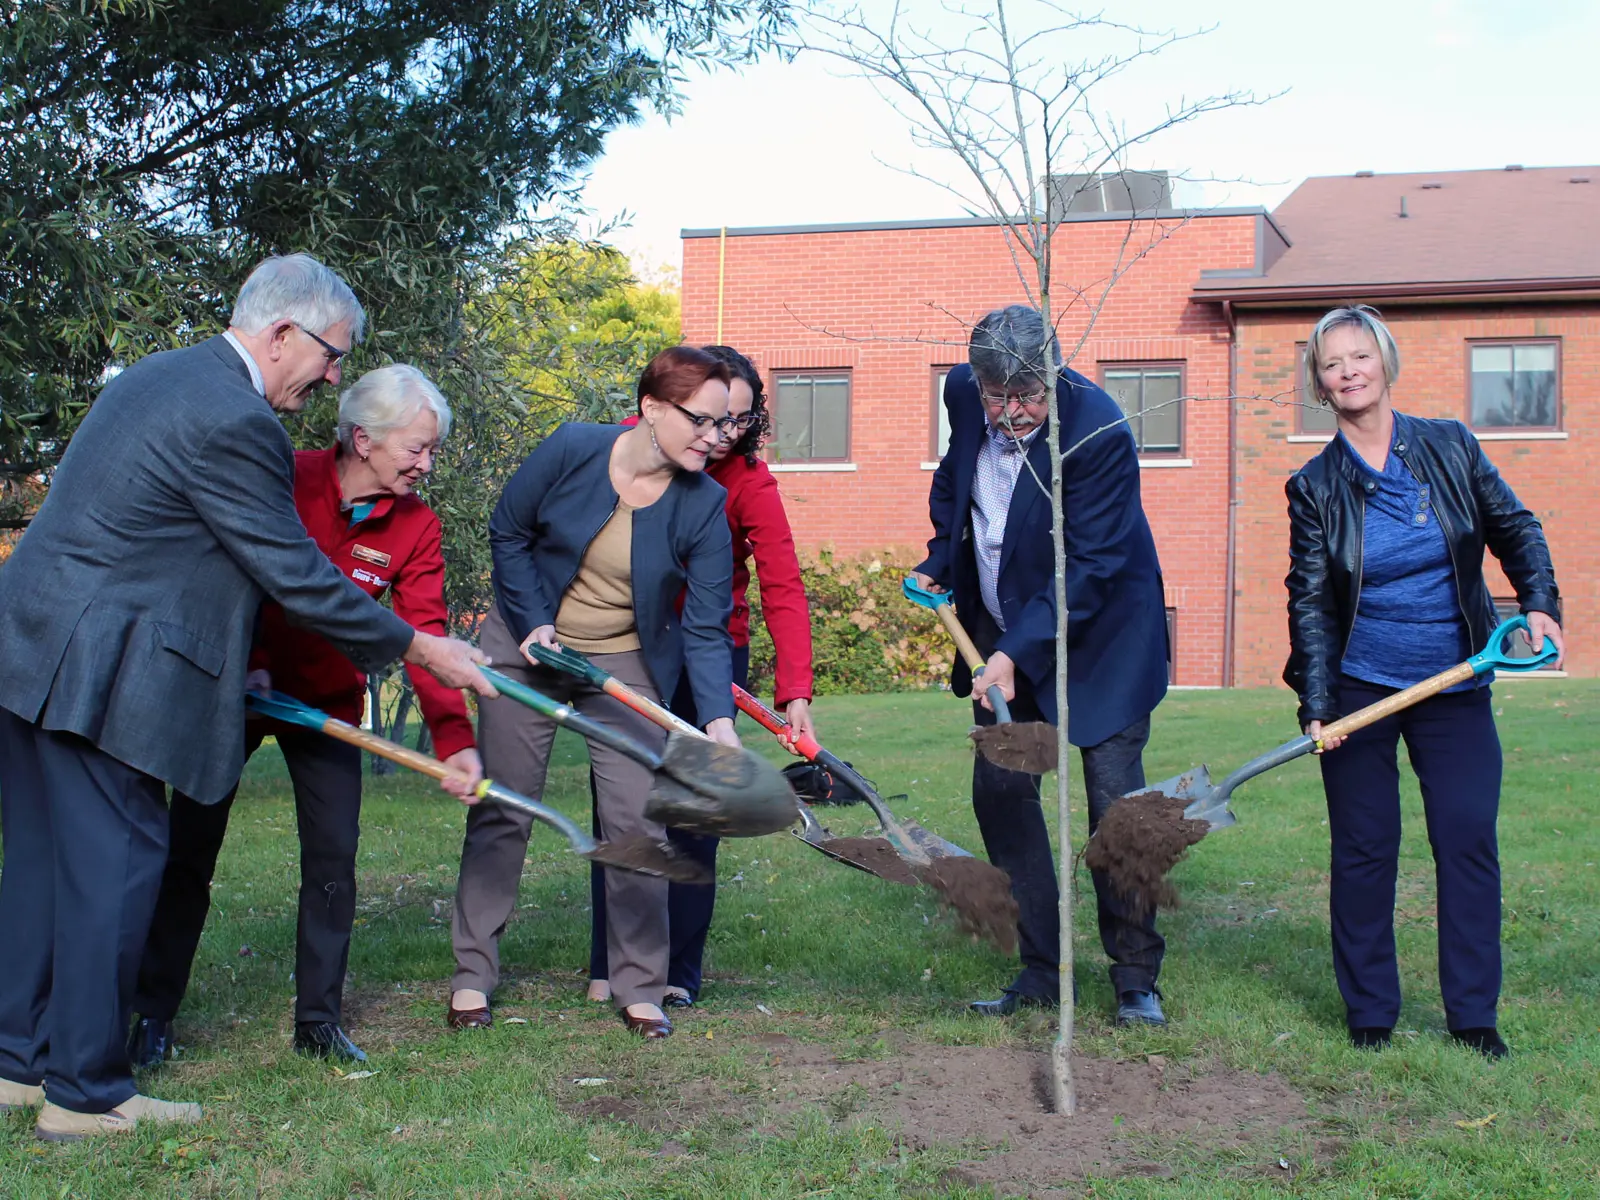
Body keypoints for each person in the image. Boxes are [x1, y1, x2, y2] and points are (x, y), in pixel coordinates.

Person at [0, 254, 492, 1141]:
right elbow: (294, 574)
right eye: (333, 355)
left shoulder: (163, 375)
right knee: (119, 867)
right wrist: (420, 645)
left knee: (43, 865)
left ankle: (14, 1063)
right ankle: (85, 1092)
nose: (335, 376)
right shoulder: (238, 419)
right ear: (280, 335)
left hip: (33, 646)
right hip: (101, 664)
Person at [128, 364, 485, 1069]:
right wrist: (237, 662)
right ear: (363, 439)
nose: (427, 464)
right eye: (417, 448)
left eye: (434, 450)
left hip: (326, 708)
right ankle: (150, 1014)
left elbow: (427, 636)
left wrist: (455, 739)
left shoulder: (416, 526)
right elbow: (215, 574)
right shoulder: (282, 477)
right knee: (188, 853)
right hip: (233, 694)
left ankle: (318, 1022)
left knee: (332, 863)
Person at [1284, 305, 1563, 1059]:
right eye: (1332, 362)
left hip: (1458, 682)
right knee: (1365, 847)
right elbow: (1309, 599)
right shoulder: (1314, 486)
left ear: (1384, 362)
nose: (1348, 370)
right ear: (1321, 381)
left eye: (1359, 355)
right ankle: (1371, 1010)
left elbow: (1515, 527)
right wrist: (1317, 704)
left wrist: (1539, 602)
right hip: (1361, 688)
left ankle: (1473, 1015)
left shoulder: (1448, 446)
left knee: (1467, 839)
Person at [447, 345, 739, 1040]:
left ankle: (640, 987)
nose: (714, 437)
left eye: (724, 426)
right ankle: (471, 974)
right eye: (702, 421)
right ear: (651, 409)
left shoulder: (706, 506)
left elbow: (704, 629)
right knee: (505, 810)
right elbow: (508, 531)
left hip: (621, 662)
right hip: (525, 647)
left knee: (638, 822)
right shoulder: (573, 449)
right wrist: (534, 622)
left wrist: (720, 723)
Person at [910, 304, 1170, 1027]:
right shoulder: (967, 394)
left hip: (1103, 642)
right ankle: (1041, 966)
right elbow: (954, 484)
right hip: (1004, 634)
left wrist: (1016, 650)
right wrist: (941, 559)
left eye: (1029, 395)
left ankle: (1134, 979)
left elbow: (1087, 568)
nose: (1013, 411)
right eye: (999, 396)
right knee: (1001, 791)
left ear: (1055, 376)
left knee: (1116, 809)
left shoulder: (1100, 432)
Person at [587, 344, 816, 1008]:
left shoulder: (749, 483)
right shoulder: (633, 456)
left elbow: (782, 584)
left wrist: (794, 687)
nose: (723, 433)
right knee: (623, 804)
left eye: (739, 421)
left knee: (691, 818)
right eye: (715, 417)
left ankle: (677, 971)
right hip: (630, 651)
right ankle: (609, 960)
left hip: (710, 659)